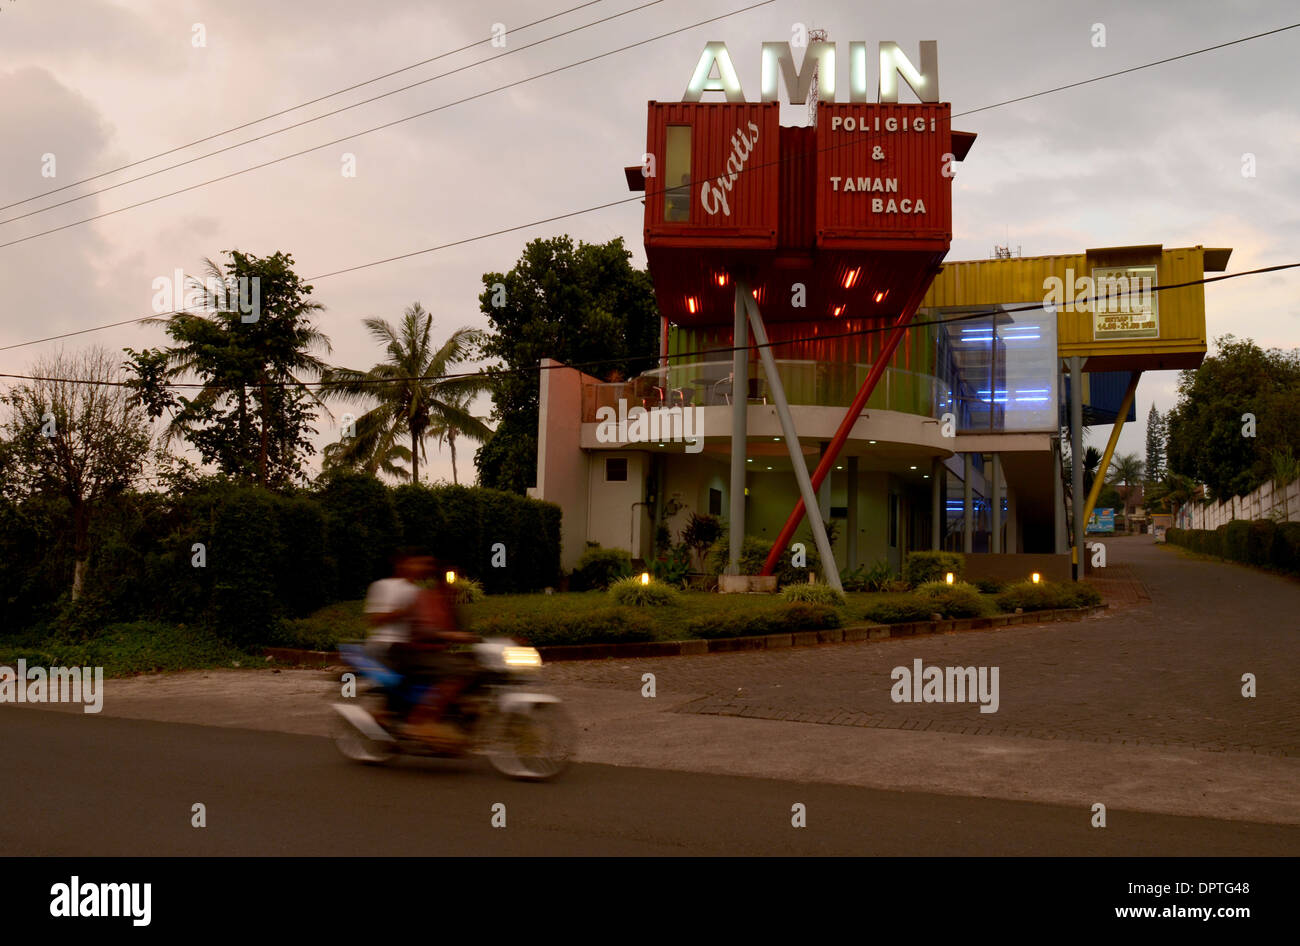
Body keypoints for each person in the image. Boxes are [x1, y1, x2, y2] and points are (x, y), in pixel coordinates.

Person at [401, 567, 479, 748]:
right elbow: (426, 630)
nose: (455, 586)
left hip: (437, 653)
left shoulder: (449, 604)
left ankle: (460, 714)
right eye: (451, 581)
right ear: (441, 582)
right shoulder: (426, 598)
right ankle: (422, 721)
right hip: (420, 653)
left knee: (476, 669)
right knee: (457, 672)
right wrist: (450, 635)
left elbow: (463, 630)